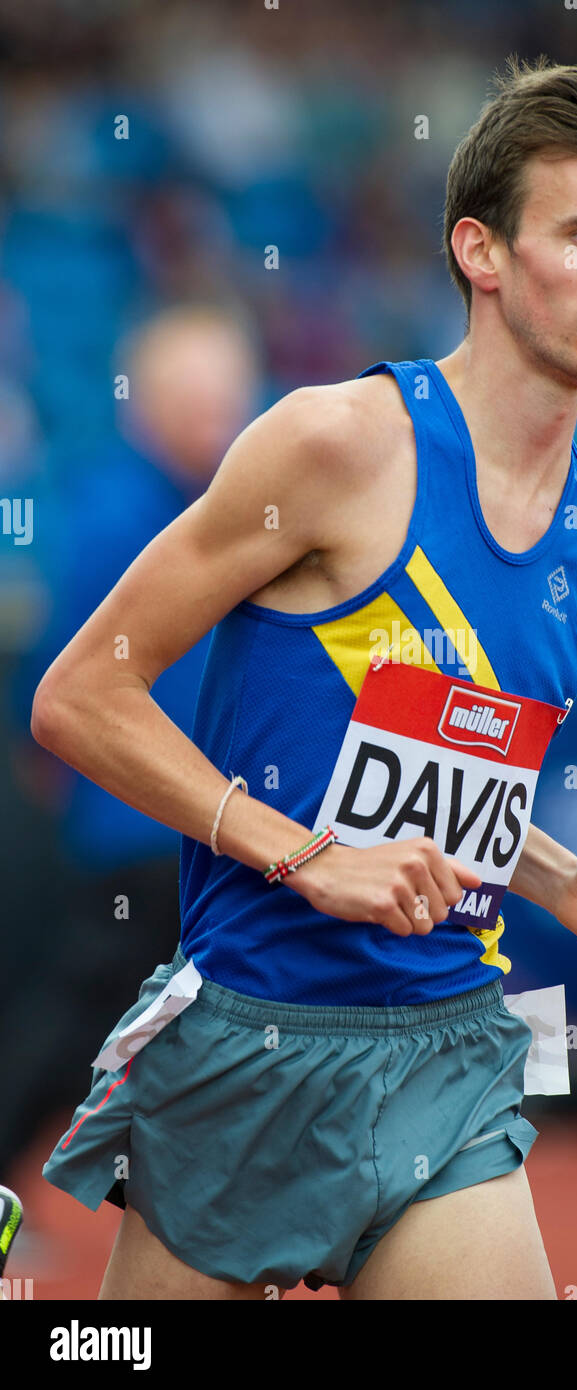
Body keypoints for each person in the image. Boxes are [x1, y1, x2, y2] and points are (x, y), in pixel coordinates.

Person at [31, 58, 577, 1301]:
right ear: (480, 252)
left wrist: (557, 877)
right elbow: (80, 696)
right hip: (250, 1043)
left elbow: (443, 771)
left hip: (450, 1054)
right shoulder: (333, 444)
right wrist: (304, 855)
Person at [0, 303, 259, 1182]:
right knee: (87, 1018)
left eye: (229, 396)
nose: (217, 417)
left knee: (135, 1023)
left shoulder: (229, 509)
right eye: (195, 397)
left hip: (201, 829)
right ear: (141, 402)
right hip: (138, 832)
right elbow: (55, 683)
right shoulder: (121, 515)